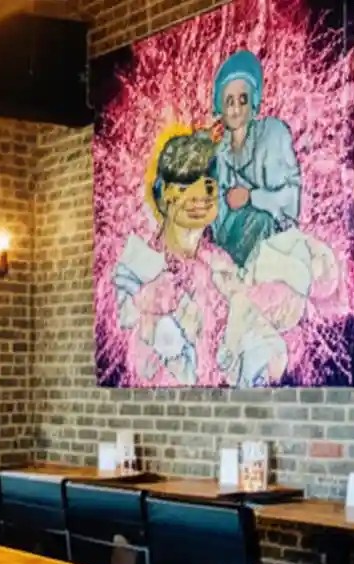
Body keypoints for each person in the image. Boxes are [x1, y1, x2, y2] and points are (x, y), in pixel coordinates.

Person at [113, 131, 224, 386]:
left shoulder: (222, 266)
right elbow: (140, 363)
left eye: (208, 186)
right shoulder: (137, 267)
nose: (199, 199)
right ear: (164, 192)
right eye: (185, 188)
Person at [211, 50, 302, 269]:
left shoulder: (272, 134)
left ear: (253, 103)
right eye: (229, 101)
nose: (235, 109)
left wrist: (251, 197)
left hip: (273, 247)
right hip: (231, 255)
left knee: (260, 221)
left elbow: (291, 200)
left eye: (242, 100)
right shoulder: (219, 155)